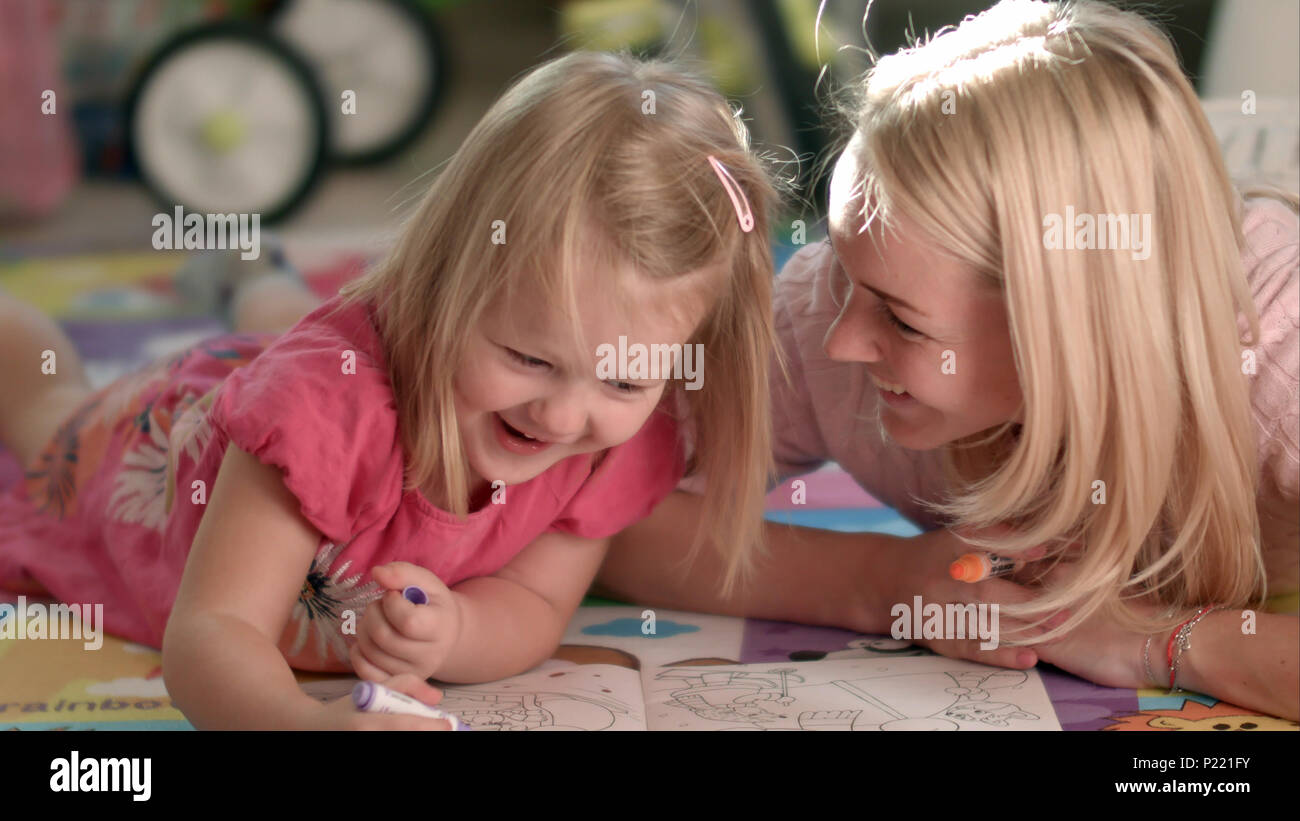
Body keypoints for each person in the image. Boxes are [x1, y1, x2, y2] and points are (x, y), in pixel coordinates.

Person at [0, 51, 780, 730]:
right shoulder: (321, 412)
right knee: (45, 405)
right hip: (156, 463)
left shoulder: (617, 436)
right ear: (442, 282)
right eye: (528, 357)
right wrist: (299, 725)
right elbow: (212, 630)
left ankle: (249, 269)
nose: (564, 414)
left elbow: (537, 605)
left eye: (622, 377)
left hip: (317, 366)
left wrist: (459, 631)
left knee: (291, 333)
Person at [599, 0, 1300, 720]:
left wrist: (1158, 642)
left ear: (1063, 329)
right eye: (844, 270)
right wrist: (886, 581)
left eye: (903, 321)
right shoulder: (833, 311)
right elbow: (598, 513)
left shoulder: (1277, 364)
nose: (842, 341)